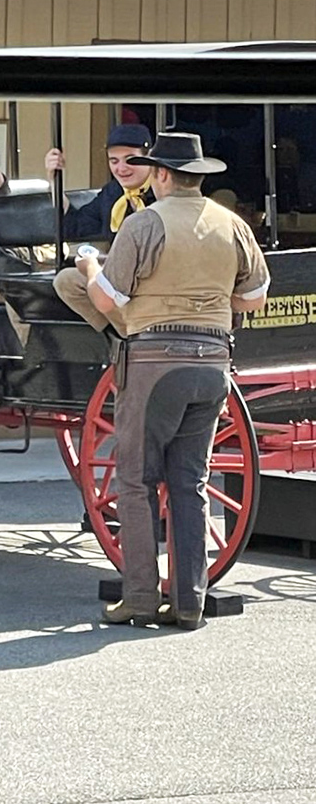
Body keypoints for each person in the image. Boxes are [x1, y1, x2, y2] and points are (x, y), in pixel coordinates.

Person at [76, 132, 269, 630]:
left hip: (154, 362)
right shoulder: (233, 225)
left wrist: (91, 266)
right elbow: (253, 299)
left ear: (161, 174)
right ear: (199, 176)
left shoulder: (144, 224)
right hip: (212, 366)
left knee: (136, 480)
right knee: (191, 482)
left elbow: (103, 300)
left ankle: (140, 596)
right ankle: (190, 601)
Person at [52, 124, 155, 334]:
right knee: (66, 280)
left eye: (130, 159)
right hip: (120, 282)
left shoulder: (162, 190)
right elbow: (75, 226)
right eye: (113, 161)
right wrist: (54, 181)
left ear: (149, 157)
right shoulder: (113, 192)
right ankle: (121, 339)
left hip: (156, 282)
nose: (121, 168)